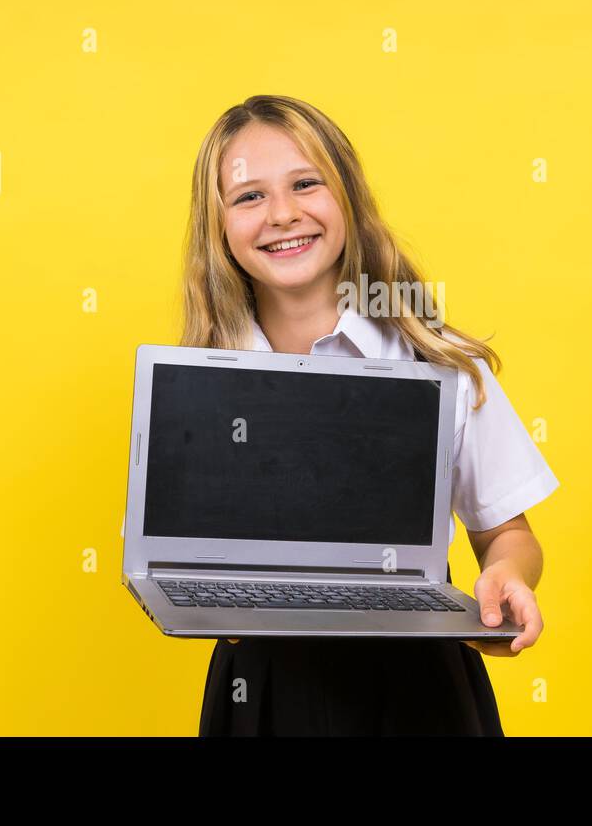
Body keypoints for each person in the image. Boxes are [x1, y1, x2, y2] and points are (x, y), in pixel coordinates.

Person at [180, 94, 559, 735]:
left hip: (420, 689)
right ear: (218, 226)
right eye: (249, 196)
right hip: (264, 691)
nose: (283, 214)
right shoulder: (199, 380)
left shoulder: (439, 362)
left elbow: (508, 533)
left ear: (348, 198)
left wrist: (505, 576)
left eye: (306, 184)